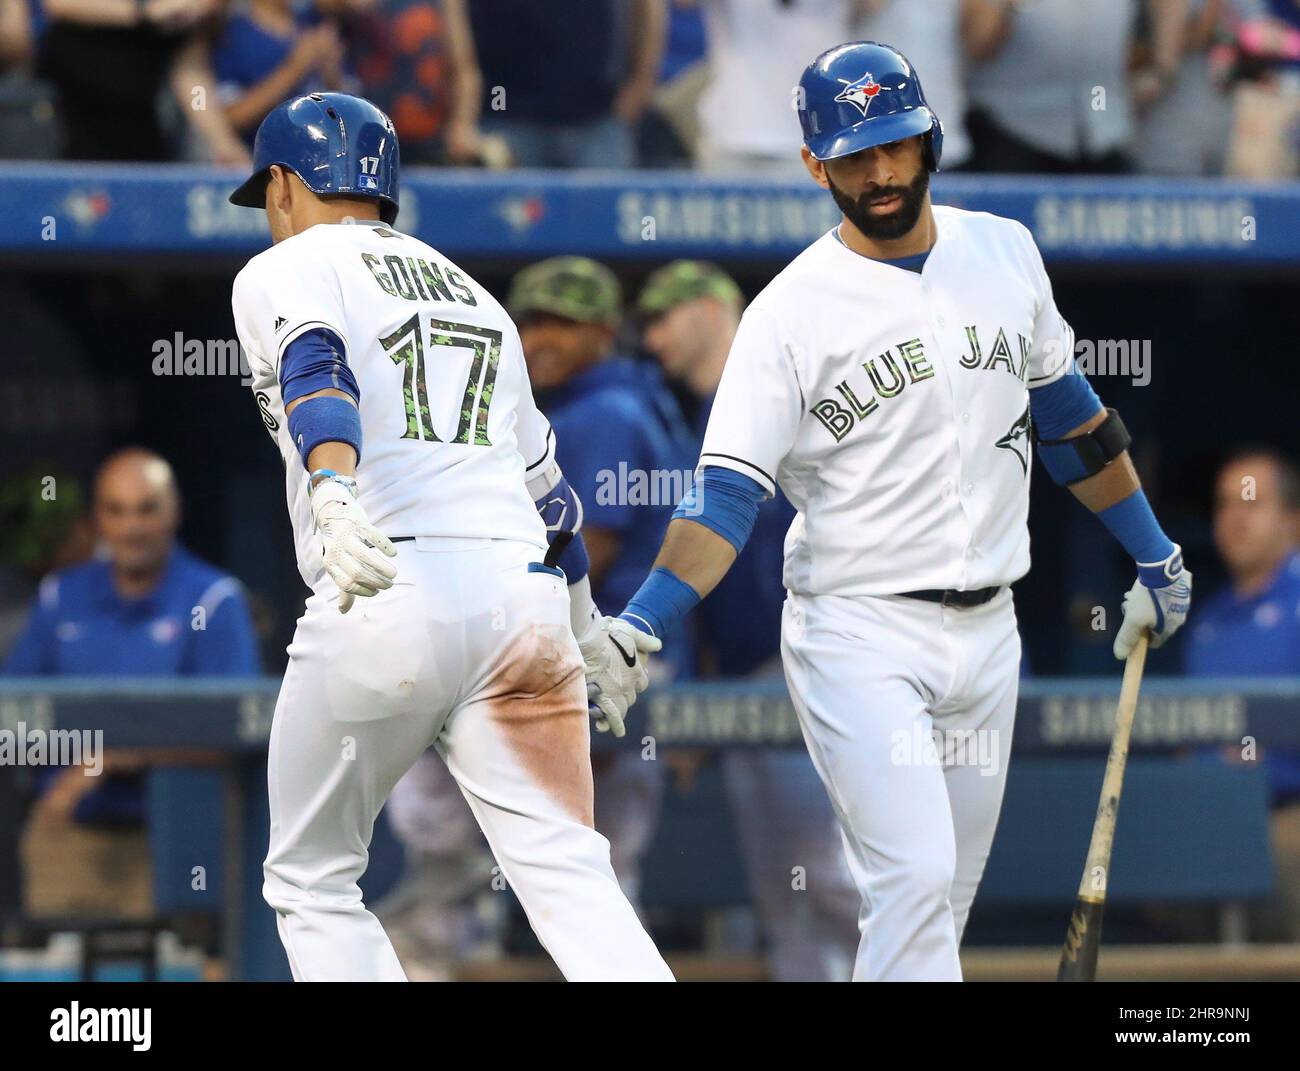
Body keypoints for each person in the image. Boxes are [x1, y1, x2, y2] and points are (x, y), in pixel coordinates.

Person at [595, 42, 1193, 981]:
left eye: (895, 146)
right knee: (912, 879)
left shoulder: (1004, 251)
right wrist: (643, 623)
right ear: (812, 165)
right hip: (859, 629)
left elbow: (1074, 425)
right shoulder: (786, 313)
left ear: (929, 138)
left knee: (935, 908)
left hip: (991, 629)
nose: (878, 172)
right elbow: (726, 496)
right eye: (852, 155)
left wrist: (1154, 557)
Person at [227, 92, 671, 981]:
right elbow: (550, 496)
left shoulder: (285, 266)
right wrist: (588, 628)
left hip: (386, 584)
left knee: (312, 876)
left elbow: (319, 369)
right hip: (524, 608)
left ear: (283, 184)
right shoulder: (477, 294)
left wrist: (332, 486)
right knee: (572, 874)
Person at [639, 260, 859, 981]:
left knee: (830, 871)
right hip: (737, 680)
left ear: (711, 306)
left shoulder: (793, 386)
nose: (653, 338)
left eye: (664, 317)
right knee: (780, 884)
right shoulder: (688, 421)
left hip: (816, 664)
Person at [2, 448, 259, 918]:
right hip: (70, 832)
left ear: (174, 511)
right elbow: (13, 714)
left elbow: (236, 730)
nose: (132, 528)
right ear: (97, 518)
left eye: (147, 509)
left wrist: (117, 755)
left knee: (179, 967)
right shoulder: (61, 596)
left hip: (177, 837)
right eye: (116, 511)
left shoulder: (214, 600)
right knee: (58, 975)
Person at [1184, 447, 1300, 938]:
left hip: (1285, 813)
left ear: (1293, 520)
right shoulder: (1208, 622)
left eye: (1252, 503)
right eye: (1225, 504)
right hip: (1209, 815)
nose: (1235, 517)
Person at [466, 0, 666, 168]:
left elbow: (647, 6)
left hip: (596, 118)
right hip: (502, 112)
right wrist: (465, 115)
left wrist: (641, 83)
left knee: (599, 213)